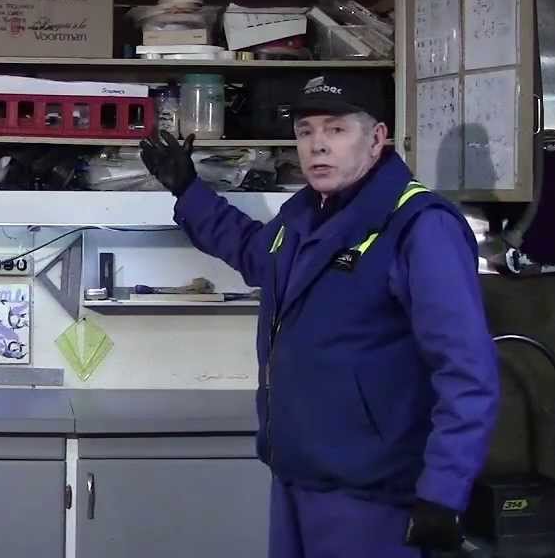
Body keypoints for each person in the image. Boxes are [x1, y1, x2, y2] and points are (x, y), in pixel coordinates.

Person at [140, 74, 499, 557]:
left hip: (374, 494)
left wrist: (444, 491)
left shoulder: (419, 226)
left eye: (336, 129)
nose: (318, 145)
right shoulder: (304, 216)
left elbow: (467, 372)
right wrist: (189, 190)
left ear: (376, 138)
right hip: (297, 473)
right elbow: (253, 252)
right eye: (305, 131)